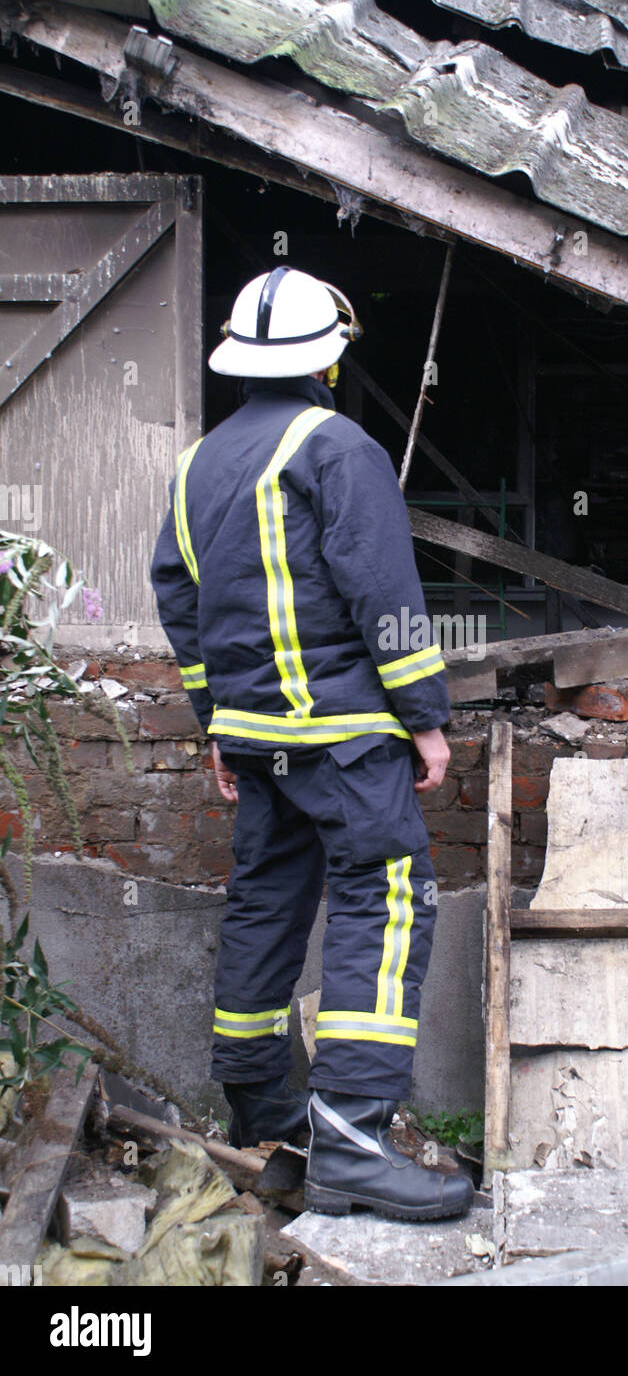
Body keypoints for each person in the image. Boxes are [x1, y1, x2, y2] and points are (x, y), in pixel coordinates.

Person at [151, 266, 473, 1221]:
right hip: (341, 738)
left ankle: (269, 1113)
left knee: (265, 903)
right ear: (329, 358)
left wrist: (219, 723)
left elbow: (179, 598)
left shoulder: (198, 464)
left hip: (258, 742)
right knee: (388, 898)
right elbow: (384, 590)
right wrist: (424, 711)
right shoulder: (338, 447)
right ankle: (354, 1139)